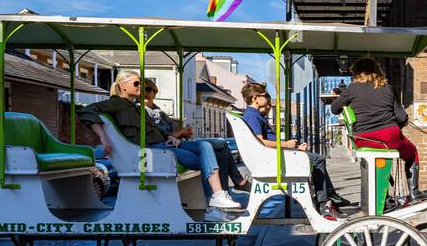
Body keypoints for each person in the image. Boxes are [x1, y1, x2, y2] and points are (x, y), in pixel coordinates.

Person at [79, 71, 238, 209]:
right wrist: (103, 136)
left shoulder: (136, 107)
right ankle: (215, 200)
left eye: (141, 83)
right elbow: (86, 110)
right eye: (136, 83)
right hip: (152, 151)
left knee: (206, 146)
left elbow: (157, 130)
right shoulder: (115, 103)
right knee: (207, 157)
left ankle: (218, 196)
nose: (140, 86)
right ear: (122, 86)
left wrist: (170, 136)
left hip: (164, 144)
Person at [239, 82, 351, 212]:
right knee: (317, 159)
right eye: (264, 95)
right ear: (255, 98)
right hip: (271, 158)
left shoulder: (255, 115)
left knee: (315, 158)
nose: (267, 98)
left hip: (273, 155)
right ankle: (324, 200)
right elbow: (261, 142)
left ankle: (328, 195)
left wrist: (294, 149)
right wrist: (287, 145)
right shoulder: (253, 116)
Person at [330, 57, 427, 201]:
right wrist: (400, 125)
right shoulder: (387, 88)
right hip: (389, 137)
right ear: (377, 71)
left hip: (363, 140)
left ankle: (378, 198)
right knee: (412, 152)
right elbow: (402, 117)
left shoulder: (352, 89)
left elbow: (334, 109)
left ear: (357, 73)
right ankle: (414, 192)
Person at [142, 80, 248, 191]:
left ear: (155, 93)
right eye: (143, 90)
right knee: (208, 149)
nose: (145, 93)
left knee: (222, 145)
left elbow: (174, 130)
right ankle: (234, 185)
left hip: (177, 142)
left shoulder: (160, 112)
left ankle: (225, 193)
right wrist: (181, 132)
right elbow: (160, 134)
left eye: (149, 90)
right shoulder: (142, 111)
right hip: (165, 144)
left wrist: (184, 132)